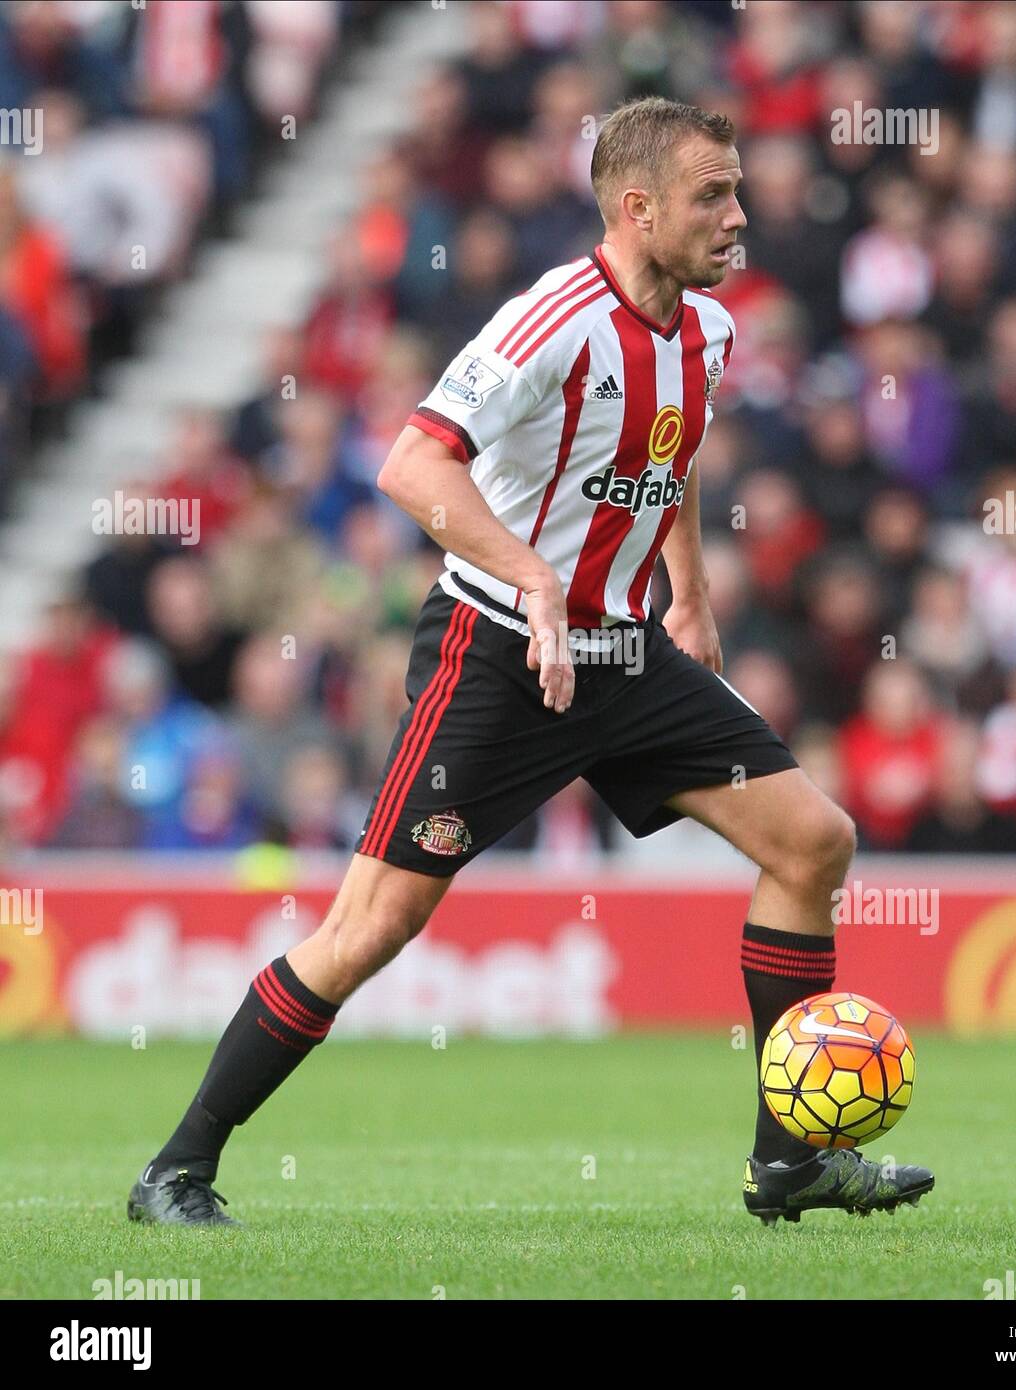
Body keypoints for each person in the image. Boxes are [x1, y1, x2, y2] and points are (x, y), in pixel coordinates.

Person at [128, 96, 933, 1229]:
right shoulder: (548, 320)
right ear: (636, 207)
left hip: (627, 657)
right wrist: (534, 578)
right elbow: (412, 467)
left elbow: (675, 446)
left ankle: (790, 1159)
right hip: (499, 654)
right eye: (715, 195)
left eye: (739, 190)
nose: (740, 215)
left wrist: (690, 592)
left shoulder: (708, 328)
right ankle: (176, 1167)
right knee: (373, 925)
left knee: (813, 841)